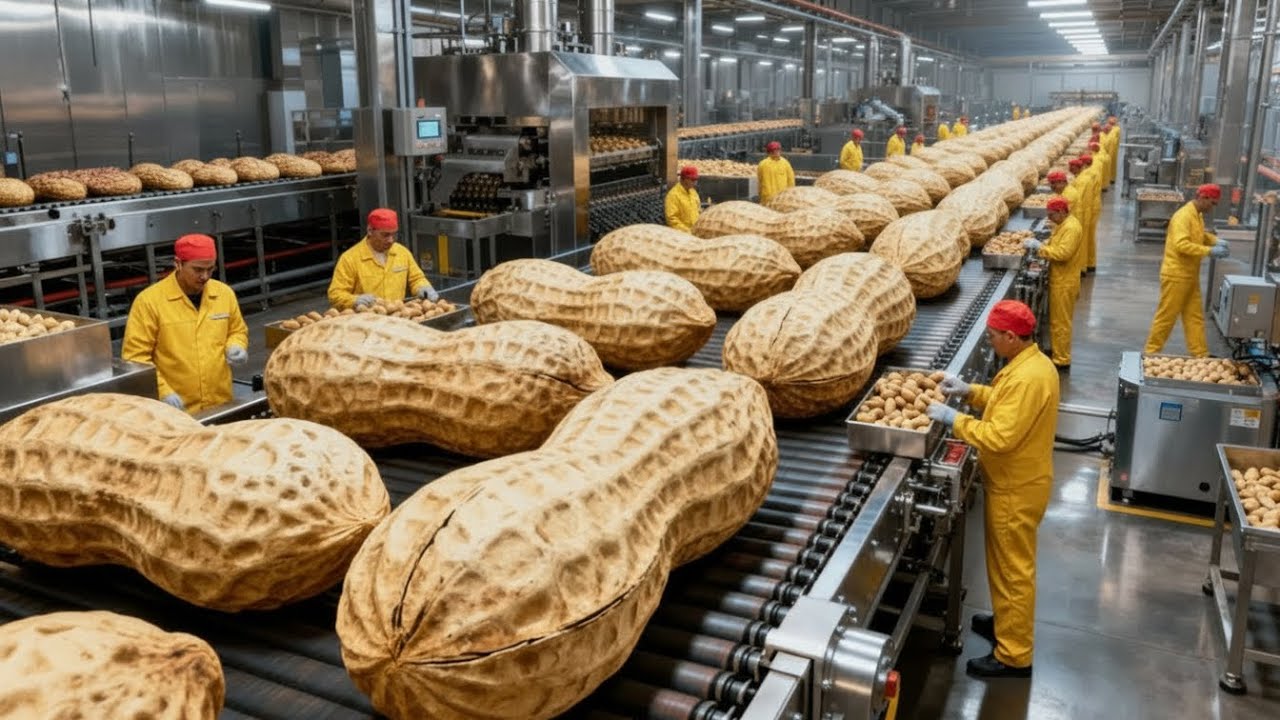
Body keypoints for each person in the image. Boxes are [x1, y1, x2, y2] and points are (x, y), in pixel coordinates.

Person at [925, 299, 1059, 679]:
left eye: (994, 336)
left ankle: (1014, 655)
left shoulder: (1029, 377)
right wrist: (970, 392)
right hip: (1016, 480)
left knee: (1013, 570)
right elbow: (1004, 403)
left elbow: (999, 436)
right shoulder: (1029, 364)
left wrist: (955, 420)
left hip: (1016, 489)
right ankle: (1006, 623)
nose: (991, 341)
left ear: (1012, 337)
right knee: (1003, 566)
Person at [122, 234, 249, 414]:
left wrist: (236, 345)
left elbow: (237, 330)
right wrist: (163, 391)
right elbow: (136, 358)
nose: (204, 276)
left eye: (210, 269)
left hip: (220, 403)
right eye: (197, 269)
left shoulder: (224, 294)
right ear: (178, 263)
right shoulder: (149, 302)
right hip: (175, 409)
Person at [1144, 184, 1229, 357]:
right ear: (1203, 197)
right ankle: (1151, 354)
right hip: (1176, 275)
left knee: (1194, 317)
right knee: (1166, 317)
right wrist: (1209, 251)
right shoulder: (1183, 216)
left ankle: (1200, 354)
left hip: (1190, 275)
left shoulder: (1196, 215)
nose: (1212, 208)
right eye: (1212, 203)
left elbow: (1199, 235)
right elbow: (1182, 245)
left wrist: (1214, 241)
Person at [329, 208, 437, 310]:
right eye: (385, 235)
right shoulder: (350, 259)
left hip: (397, 318)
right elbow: (336, 294)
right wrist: (354, 300)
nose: (391, 240)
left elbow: (416, 279)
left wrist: (423, 287)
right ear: (370, 230)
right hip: (366, 322)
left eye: (394, 234)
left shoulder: (402, 253)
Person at [1025, 197, 1084, 370]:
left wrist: (1039, 248)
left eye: (1051, 215)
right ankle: (1057, 351)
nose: (1049, 218)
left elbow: (1063, 253)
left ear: (1061, 212)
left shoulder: (1071, 228)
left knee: (1061, 323)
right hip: (1060, 279)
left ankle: (1061, 360)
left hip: (1065, 283)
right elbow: (1055, 244)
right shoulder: (1063, 224)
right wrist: (1043, 244)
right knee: (1057, 321)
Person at [1075, 154, 1101, 273]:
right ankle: (1090, 263)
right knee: (1090, 238)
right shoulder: (1092, 171)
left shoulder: (1085, 178)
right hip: (1091, 207)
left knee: (1083, 240)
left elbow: (1078, 199)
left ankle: (1081, 267)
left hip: (1085, 211)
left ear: (1085, 164)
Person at [757, 141, 795, 206]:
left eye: (778, 149)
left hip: (781, 197)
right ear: (770, 152)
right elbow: (760, 182)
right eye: (774, 150)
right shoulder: (763, 164)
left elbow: (791, 180)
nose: (776, 152)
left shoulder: (785, 163)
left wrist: (790, 194)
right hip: (768, 197)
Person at [666, 165, 701, 232]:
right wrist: (687, 231)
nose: (695, 182)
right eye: (693, 180)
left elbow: (698, 211)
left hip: (695, 232)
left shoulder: (693, 192)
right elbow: (671, 219)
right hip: (681, 236)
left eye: (696, 180)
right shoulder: (673, 195)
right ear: (685, 179)